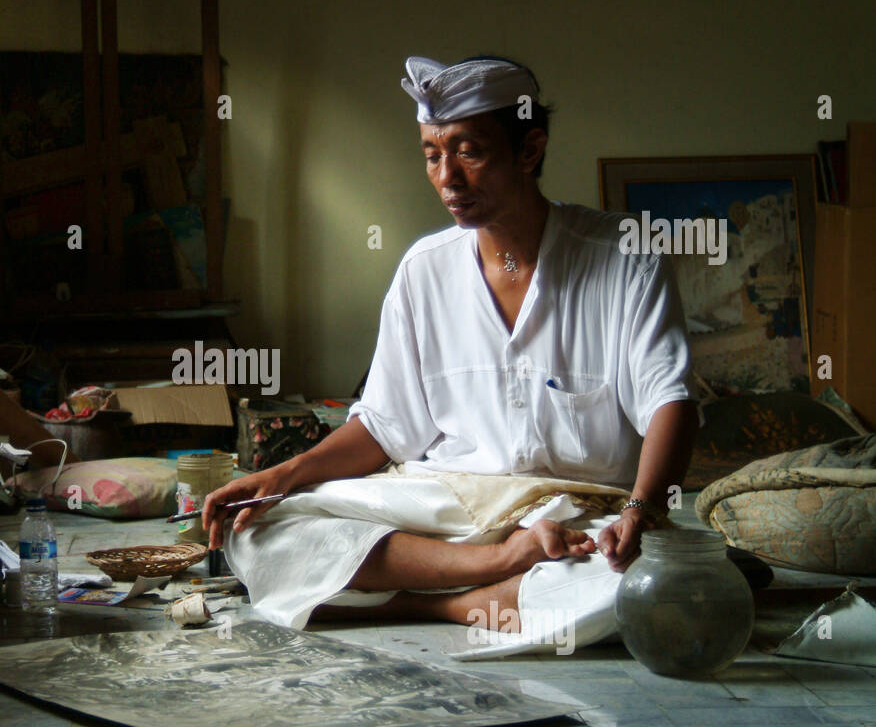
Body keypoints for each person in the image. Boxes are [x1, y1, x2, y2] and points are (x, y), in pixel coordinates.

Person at [202, 55, 699, 635]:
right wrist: (281, 476)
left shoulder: (624, 258)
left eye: (469, 151)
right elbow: (387, 429)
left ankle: (415, 597)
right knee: (264, 533)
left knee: (630, 582)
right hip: (447, 505)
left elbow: (672, 402)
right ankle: (495, 575)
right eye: (433, 155)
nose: (447, 179)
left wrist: (642, 511)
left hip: (574, 513)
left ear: (530, 150)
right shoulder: (423, 271)